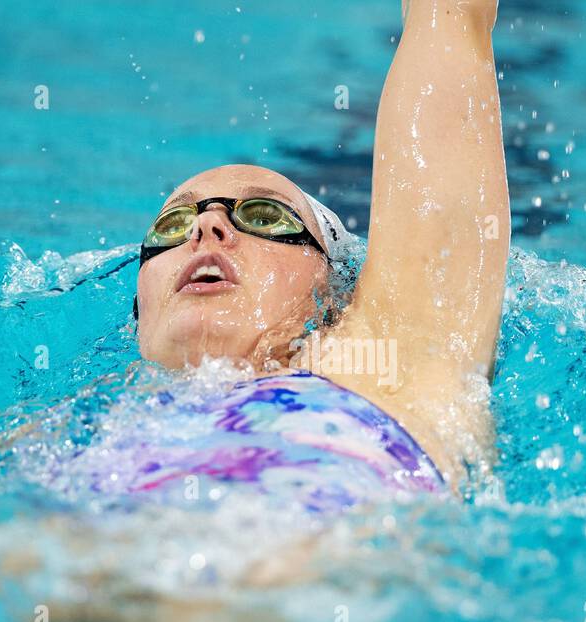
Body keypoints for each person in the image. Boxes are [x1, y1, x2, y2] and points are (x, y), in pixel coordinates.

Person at [125, 0, 507, 503]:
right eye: (174, 225)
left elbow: (453, 15)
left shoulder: (392, 365)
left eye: (264, 216)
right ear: (137, 310)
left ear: (337, 292)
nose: (207, 225)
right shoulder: (63, 427)